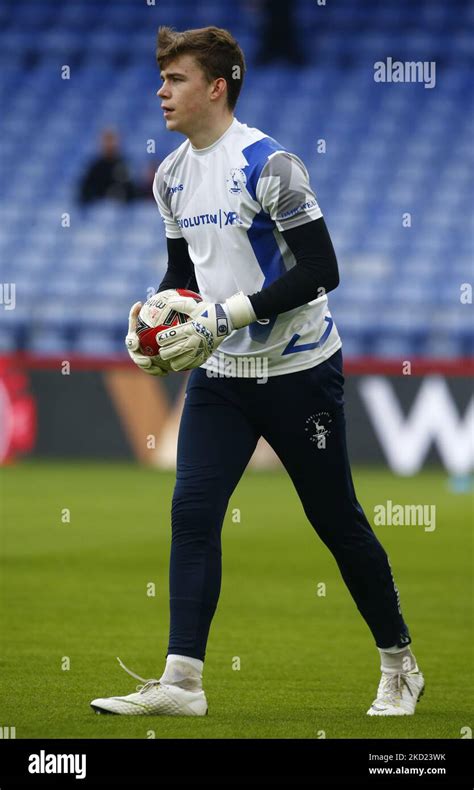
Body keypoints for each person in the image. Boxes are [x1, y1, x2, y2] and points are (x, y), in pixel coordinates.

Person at [90, 26, 424, 717]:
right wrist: (154, 321)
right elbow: (183, 278)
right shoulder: (171, 176)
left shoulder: (270, 165)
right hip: (223, 375)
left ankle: (399, 662)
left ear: (217, 87)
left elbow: (321, 269)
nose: (161, 91)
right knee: (192, 511)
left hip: (301, 370)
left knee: (336, 521)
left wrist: (227, 314)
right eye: (161, 79)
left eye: (176, 79)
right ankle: (182, 684)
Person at [78, 128, 135, 204]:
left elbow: (131, 190)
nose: (110, 144)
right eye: (107, 140)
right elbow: (85, 192)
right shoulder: (95, 167)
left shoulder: (123, 164)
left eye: (112, 140)